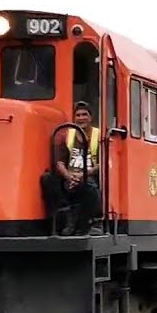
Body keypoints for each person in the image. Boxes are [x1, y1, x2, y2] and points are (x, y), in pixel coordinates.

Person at [41, 101, 104, 236]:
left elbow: (102, 164)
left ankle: (90, 223)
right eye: (78, 115)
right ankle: (63, 217)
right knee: (47, 179)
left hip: (89, 177)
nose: (81, 118)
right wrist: (69, 176)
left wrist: (82, 175)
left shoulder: (99, 136)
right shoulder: (67, 135)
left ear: (90, 117)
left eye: (84, 115)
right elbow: (60, 163)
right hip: (69, 177)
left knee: (90, 188)